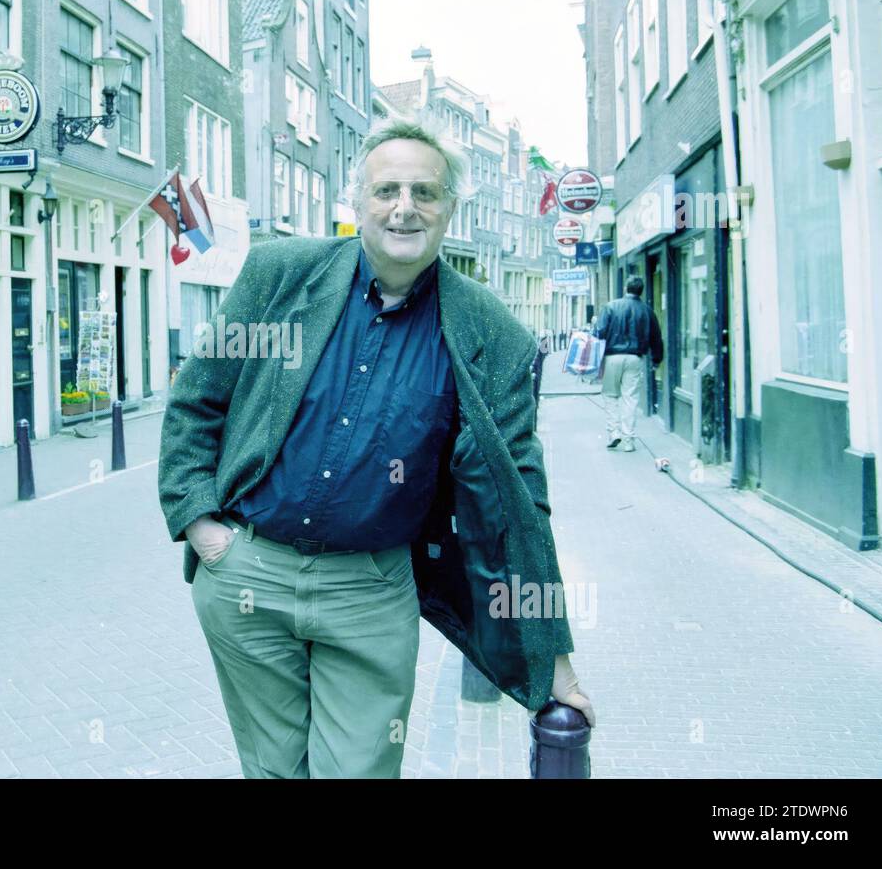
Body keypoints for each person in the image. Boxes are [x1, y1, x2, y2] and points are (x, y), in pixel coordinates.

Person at [158, 118, 594, 779]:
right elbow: (197, 401)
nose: (404, 207)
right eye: (387, 188)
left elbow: (521, 500)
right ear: (358, 200)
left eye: (425, 192)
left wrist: (553, 655)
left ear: (450, 207)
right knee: (273, 771)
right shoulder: (280, 275)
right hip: (250, 577)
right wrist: (205, 529)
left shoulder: (489, 332)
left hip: (371, 590)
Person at [592, 276, 664, 453]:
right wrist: (656, 360)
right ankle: (629, 439)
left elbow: (599, 333)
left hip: (612, 357)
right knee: (630, 398)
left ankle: (614, 432)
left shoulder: (611, 307)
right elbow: (656, 338)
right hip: (635, 358)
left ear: (625, 288)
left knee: (610, 395)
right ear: (641, 290)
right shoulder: (647, 311)